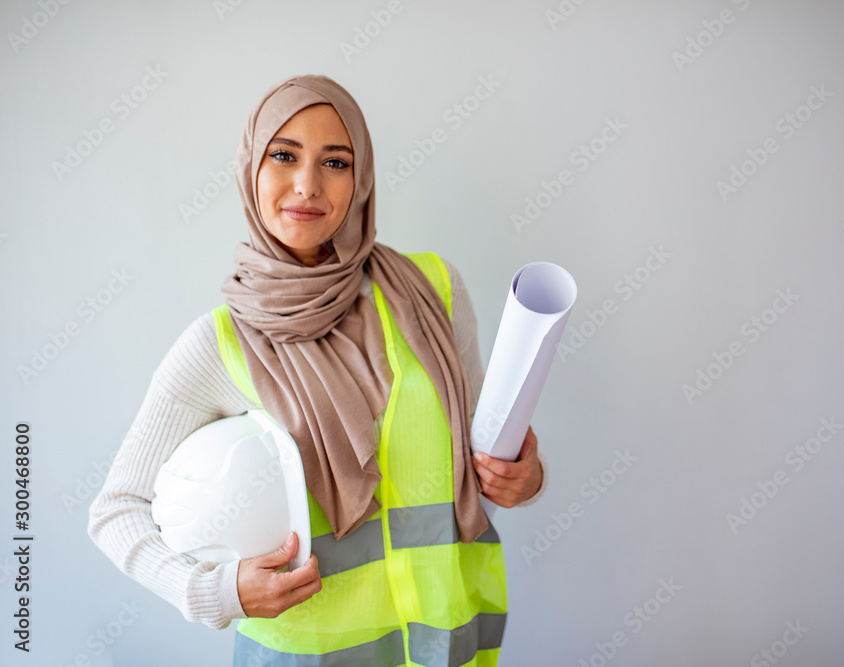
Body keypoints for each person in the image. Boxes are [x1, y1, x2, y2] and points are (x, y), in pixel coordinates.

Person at [88, 74, 548, 666]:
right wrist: (214, 591)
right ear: (250, 168)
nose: (307, 185)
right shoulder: (220, 342)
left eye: (335, 161)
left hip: (444, 644)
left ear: (361, 181)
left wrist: (526, 479)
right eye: (284, 156)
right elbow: (115, 508)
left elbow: (488, 460)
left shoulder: (433, 291)